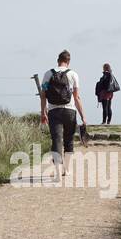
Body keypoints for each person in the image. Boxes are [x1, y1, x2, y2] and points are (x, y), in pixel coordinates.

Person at [39, 49, 87, 181]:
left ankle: (57, 172)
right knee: (68, 140)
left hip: (54, 111)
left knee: (56, 140)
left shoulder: (48, 74)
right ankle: (67, 169)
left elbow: (43, 96)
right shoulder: (73, 74)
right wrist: (83, 116)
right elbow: (77, 97)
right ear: (68, 61)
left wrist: (43, 112)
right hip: (69, 111)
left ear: (58, 60)